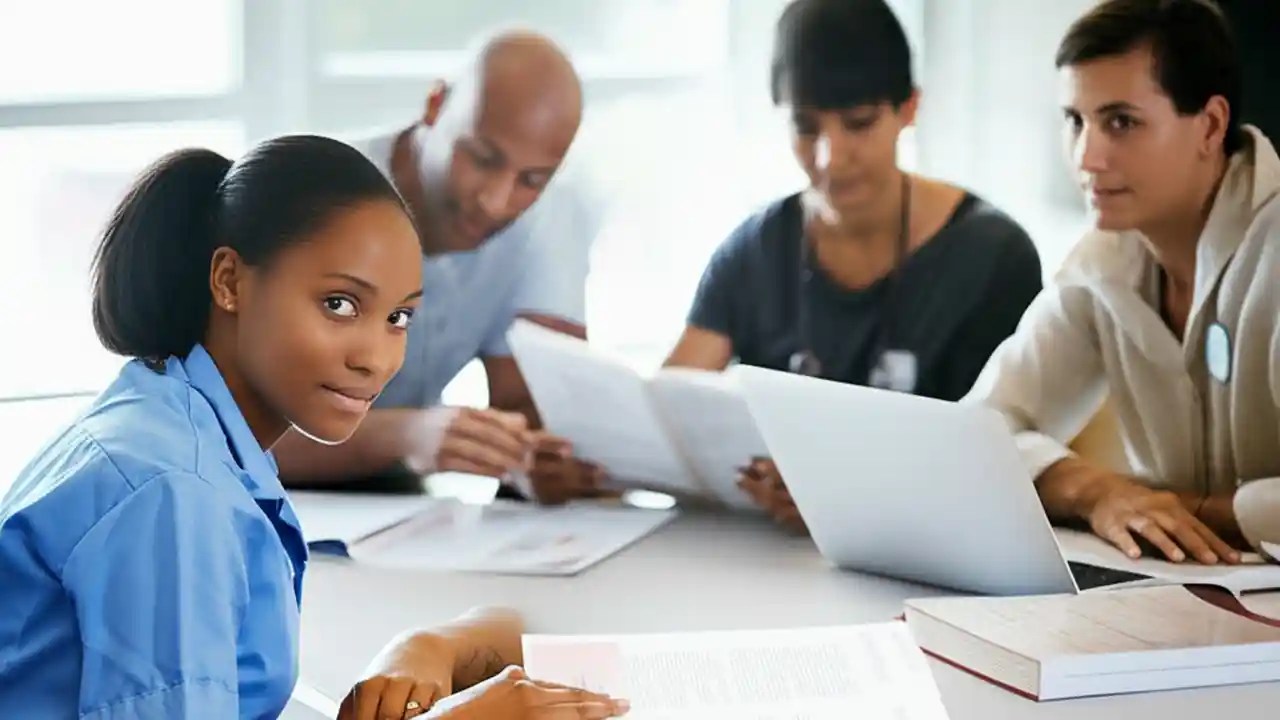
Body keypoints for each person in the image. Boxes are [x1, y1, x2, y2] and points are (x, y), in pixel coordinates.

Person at [0, 136, 626, 720]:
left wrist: (423, 649)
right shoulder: (173, 492)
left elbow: (509, 625)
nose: (376, 358)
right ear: (229, 282)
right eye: (340, 305)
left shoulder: (174, 420)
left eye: (399, 317)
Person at [663, 0, 1043, 530]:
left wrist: (843, 495)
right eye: (805, 128)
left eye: (858, 124)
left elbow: (1003, 458)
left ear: (909, 109)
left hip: (926, 561)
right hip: (770, 564)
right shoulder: (753, 249)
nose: (828, 157)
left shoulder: (991, 258)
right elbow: (668, 412)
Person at [965, 0, 1280, 565]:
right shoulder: (1103, 262)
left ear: (1210, 125)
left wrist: (1184, 508)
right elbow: (979, 431)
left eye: (1120, 122)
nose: (1086, 156)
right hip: (1184, 604)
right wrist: (1098, 493)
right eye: (1075, 120)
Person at [274, 31, 608, 505]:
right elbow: (231, 433)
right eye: (481, 158)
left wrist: (538, 463)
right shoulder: (314, 197)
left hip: (392, 496)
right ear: (434, 106)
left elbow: (536, 413)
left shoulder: (549, 220)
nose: (495, 202)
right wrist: (405, 434)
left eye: (531, 180)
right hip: (259, 497)